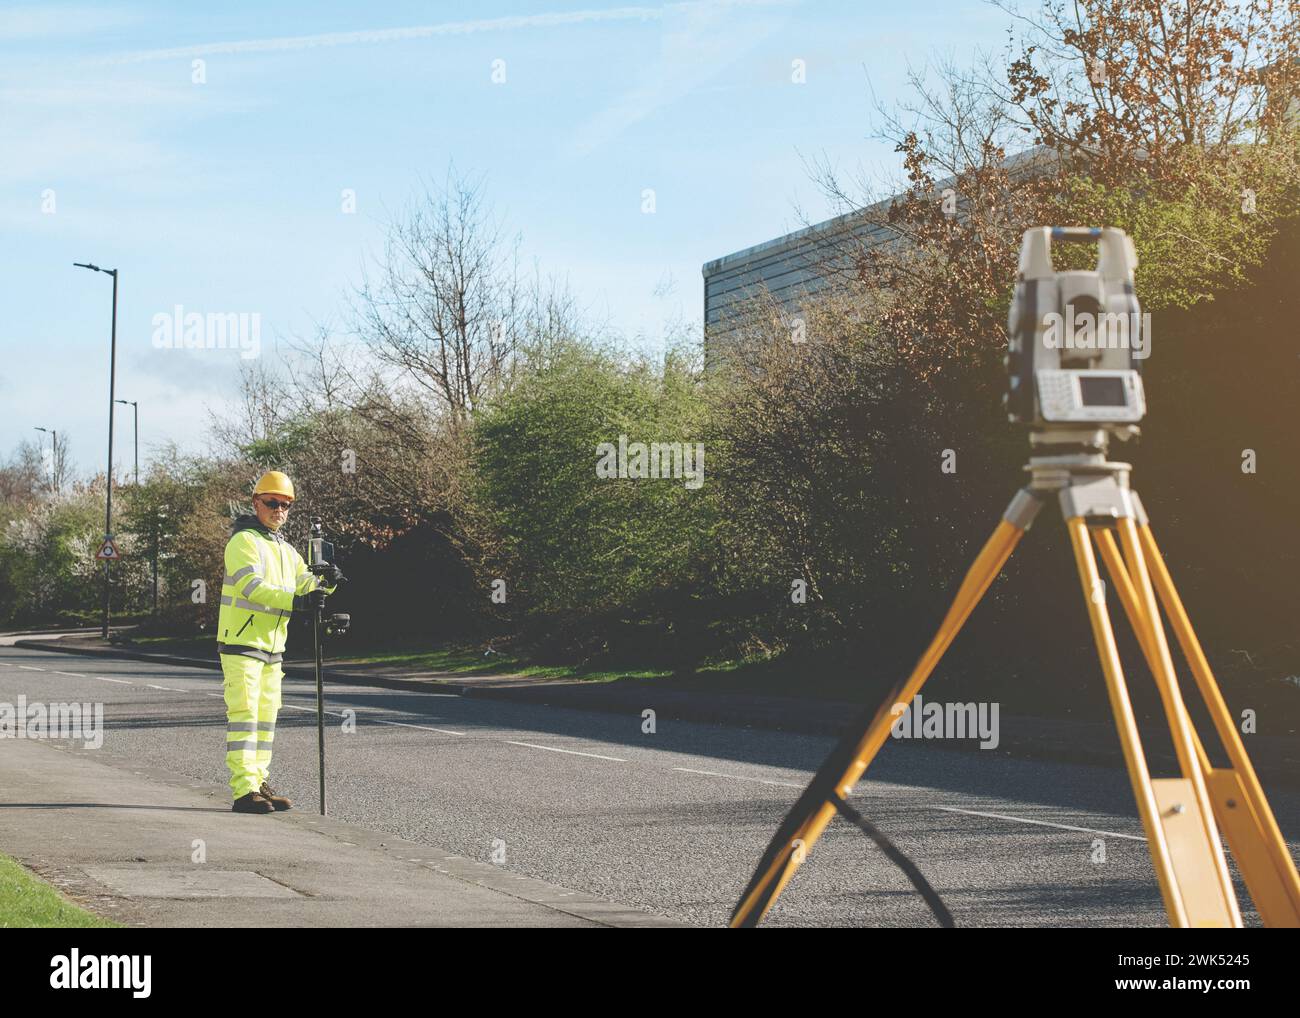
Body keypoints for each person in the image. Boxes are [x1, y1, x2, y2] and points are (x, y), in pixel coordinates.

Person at [216, 471, 342, 814]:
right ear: (256, 503)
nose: (279, 510)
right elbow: (251, 587)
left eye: (285, 505)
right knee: (245, 716)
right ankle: (244, 791)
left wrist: (328, 582)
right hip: (242, 644)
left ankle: (258, 782)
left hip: (273, 649)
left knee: (266, 716)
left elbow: (305, 583)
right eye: (272, 503)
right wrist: (297, 601)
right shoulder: (243, 542)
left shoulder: (285, 549)